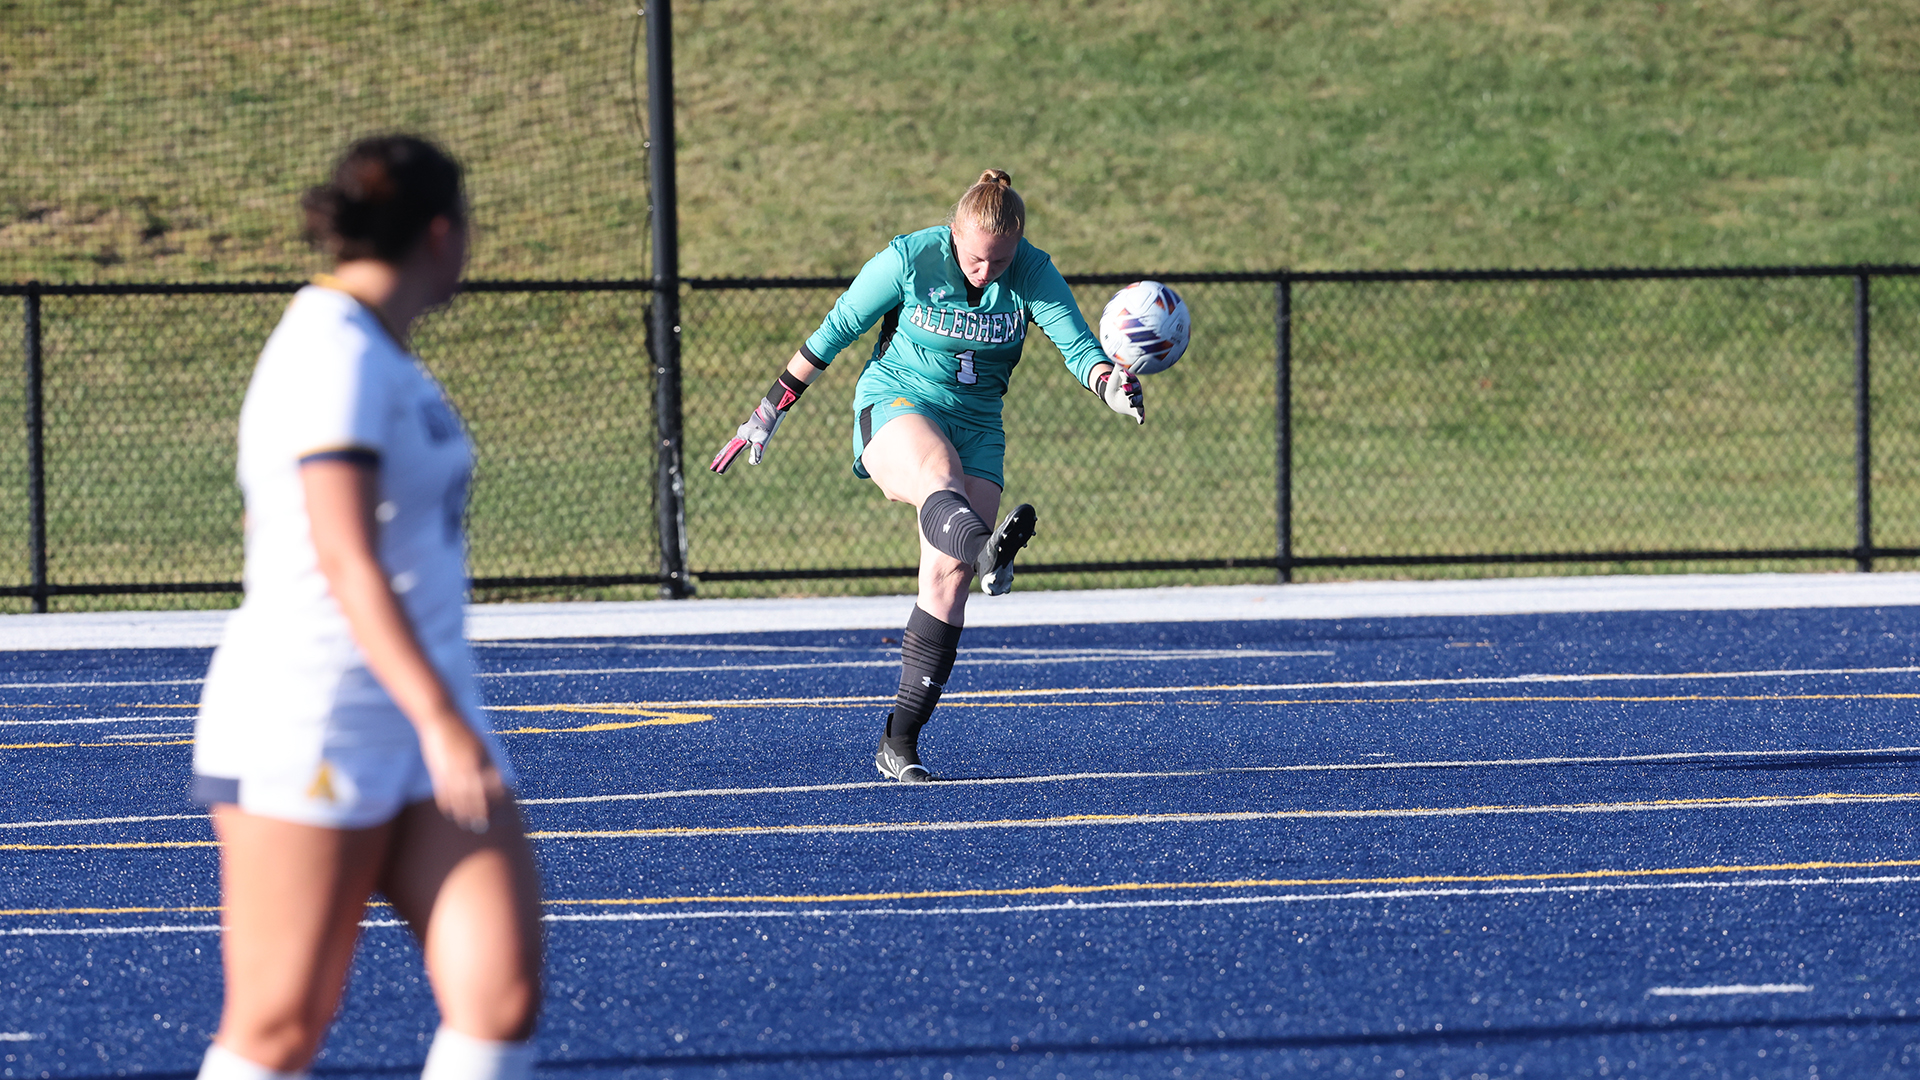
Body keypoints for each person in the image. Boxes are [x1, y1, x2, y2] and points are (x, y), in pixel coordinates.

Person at [190, 135, 542, 1080]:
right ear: (441, 233)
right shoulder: (330, 349)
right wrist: (441, 718)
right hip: (317, 720)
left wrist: (438, 713)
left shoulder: (380, 349)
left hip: (419, 715)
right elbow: (343, 554)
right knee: (279, 1025)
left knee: (499, 997)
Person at [710, 168, 1146, 783]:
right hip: (898, 401)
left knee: (949, 579)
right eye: (975, 258)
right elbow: (835, 331)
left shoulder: (1033, 271)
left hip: (979, 423)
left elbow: (1079, 351)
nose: (986, 272)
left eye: (1000, 261)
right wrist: (767, 412)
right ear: (953, 234)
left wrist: (1111, 386)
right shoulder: (909, 259)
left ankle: (899, 741)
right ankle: (991, 551)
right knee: (938, 475)